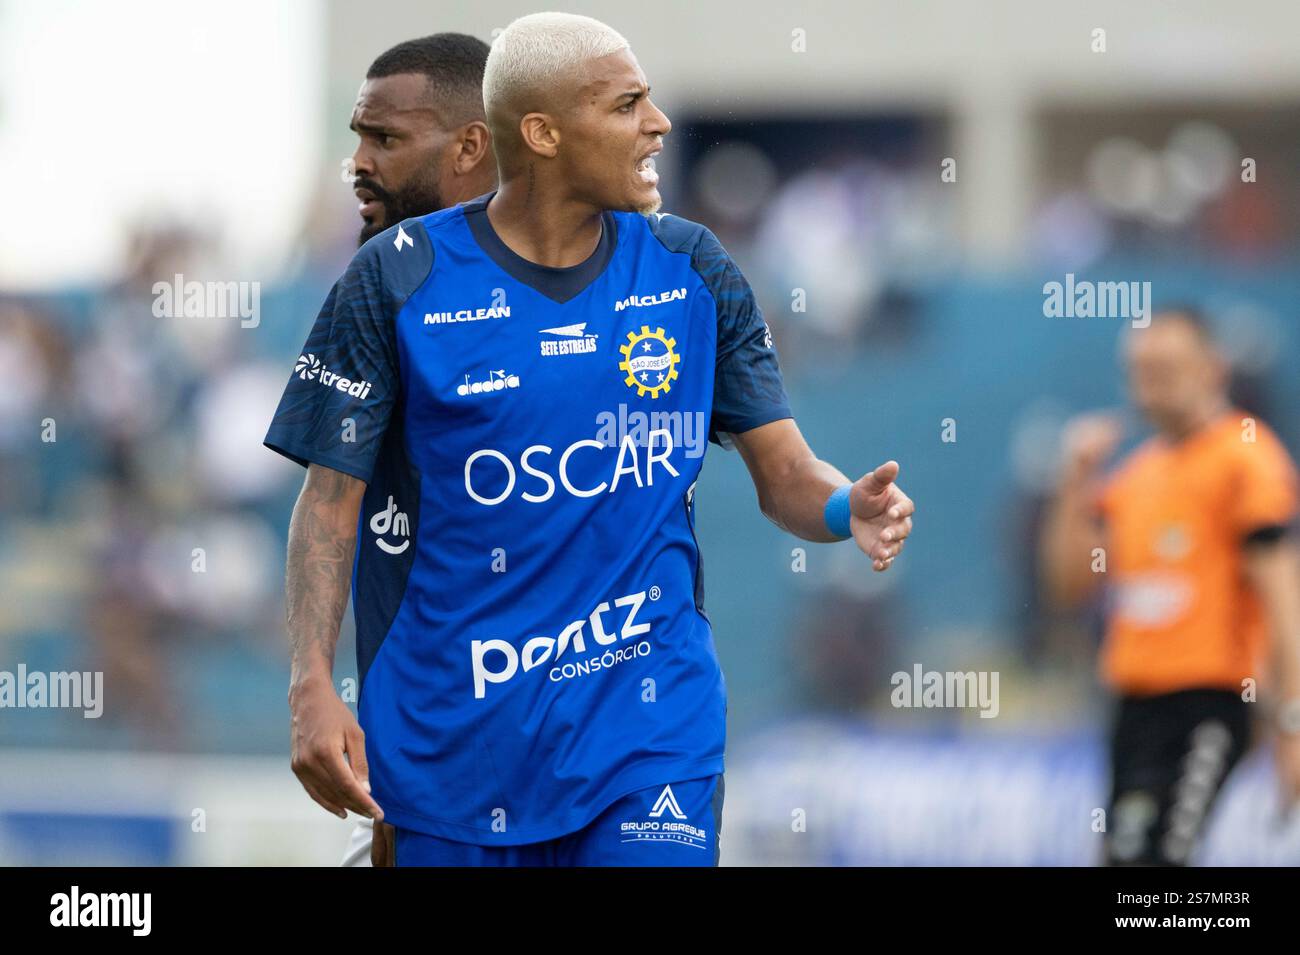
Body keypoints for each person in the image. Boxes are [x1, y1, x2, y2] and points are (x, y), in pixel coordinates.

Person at [266, 11, 914, 867]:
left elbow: (785, 471)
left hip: (648, 737)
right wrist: (311, 681)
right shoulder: (395, 278)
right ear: (540, 133)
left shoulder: (691, 268)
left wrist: (842, 507)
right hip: (451, 749)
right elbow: (329, 504)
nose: (660, 124)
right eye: (627, 105)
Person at [1041, 306, 1300, 866]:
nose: (1150, 381)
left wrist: (1291, 723)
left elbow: (1285, 598)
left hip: (1209, 701)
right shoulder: (1136, 474)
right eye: (1139, 368)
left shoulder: (1245, 459)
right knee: (1124, 861)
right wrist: (1074, 483)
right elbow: (1070, 587)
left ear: (1212, 368)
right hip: (1134, 701)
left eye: (1166, 366)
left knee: (1161, 865)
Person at [332, 31, 498, 867]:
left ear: (472, 146)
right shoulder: (375, 289)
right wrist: (313, 691)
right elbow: (327, 507)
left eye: (385, 139)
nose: (358, 162)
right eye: (357, 136)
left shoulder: (624, 279)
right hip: (429, 755)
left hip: (591, 749)